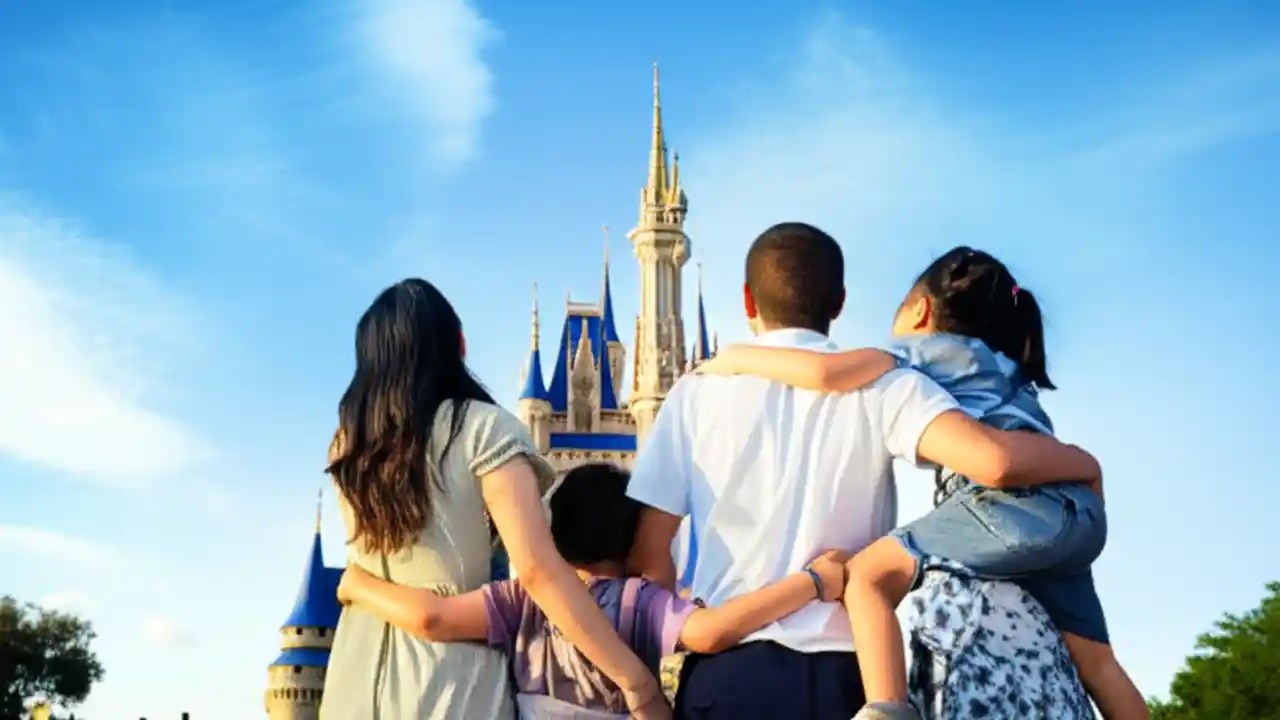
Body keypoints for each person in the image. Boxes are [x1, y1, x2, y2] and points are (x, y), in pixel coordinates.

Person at [625, 223, 1103, 720]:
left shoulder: (695, 393)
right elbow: (991, 459)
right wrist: (1081, 464)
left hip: (729, 675)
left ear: (748, 300)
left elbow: (650, 554)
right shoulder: (889, 384)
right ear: (840, 302)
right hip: (846, 682)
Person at [319, 279, 668, 720]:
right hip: (451, 684)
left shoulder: (347, 448)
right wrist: (637, 684)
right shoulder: (483, 429)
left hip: (352, 681)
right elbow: (540, 571)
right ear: (458, 345)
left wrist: (356, 583)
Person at [336, 462, 850, 719]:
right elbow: (714, 631)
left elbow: (434, 619)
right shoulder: (637, 603)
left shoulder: (523, 601)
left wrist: (359, 584)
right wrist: (811, 583)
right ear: (632, 542)